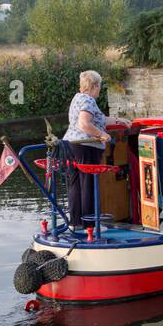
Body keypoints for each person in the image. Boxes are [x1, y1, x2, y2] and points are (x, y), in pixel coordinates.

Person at [63, 70, 131, 229]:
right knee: (88, 185)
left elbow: (98, 119)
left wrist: (118, 120)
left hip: (70, 146)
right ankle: (90, 225)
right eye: (99, 86)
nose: (100, 89)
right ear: (94, 86)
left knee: (75, 185)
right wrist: (102, 135)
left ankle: (75, 223)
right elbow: (84, 124)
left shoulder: (77, 98)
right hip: (86, 147)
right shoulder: (89, 100)